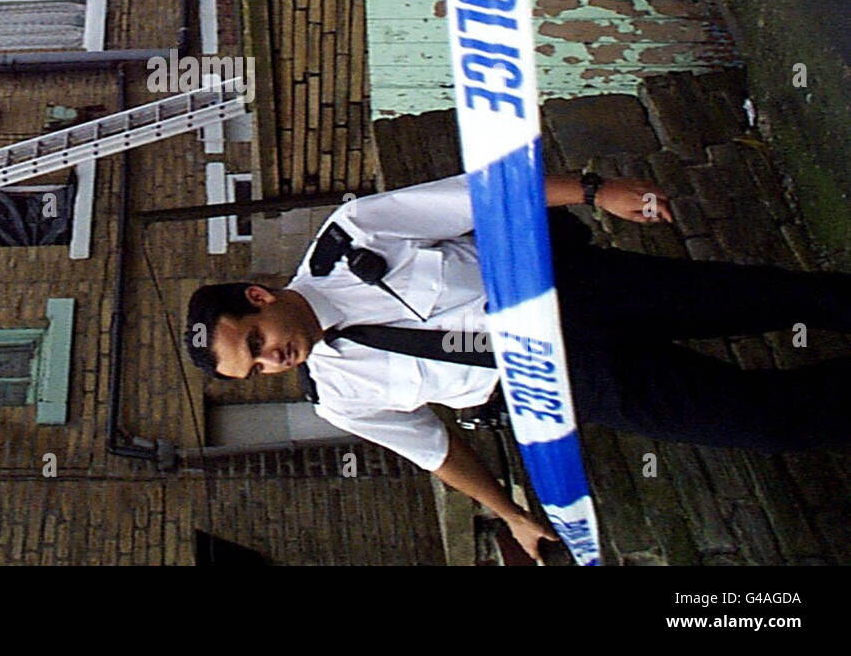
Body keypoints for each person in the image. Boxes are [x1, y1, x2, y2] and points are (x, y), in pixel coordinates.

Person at [184, 172, 851, 561]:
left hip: (576, 291)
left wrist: (595, 190)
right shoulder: (337, 396)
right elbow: (437, 450)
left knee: (770, 297)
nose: (271, 360)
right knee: (762, 422)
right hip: (558, 382)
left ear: (259, 297)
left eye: (257, 341)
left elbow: (486, 195)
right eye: (257, 369)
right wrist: (511, 513)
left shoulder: (352, 233)